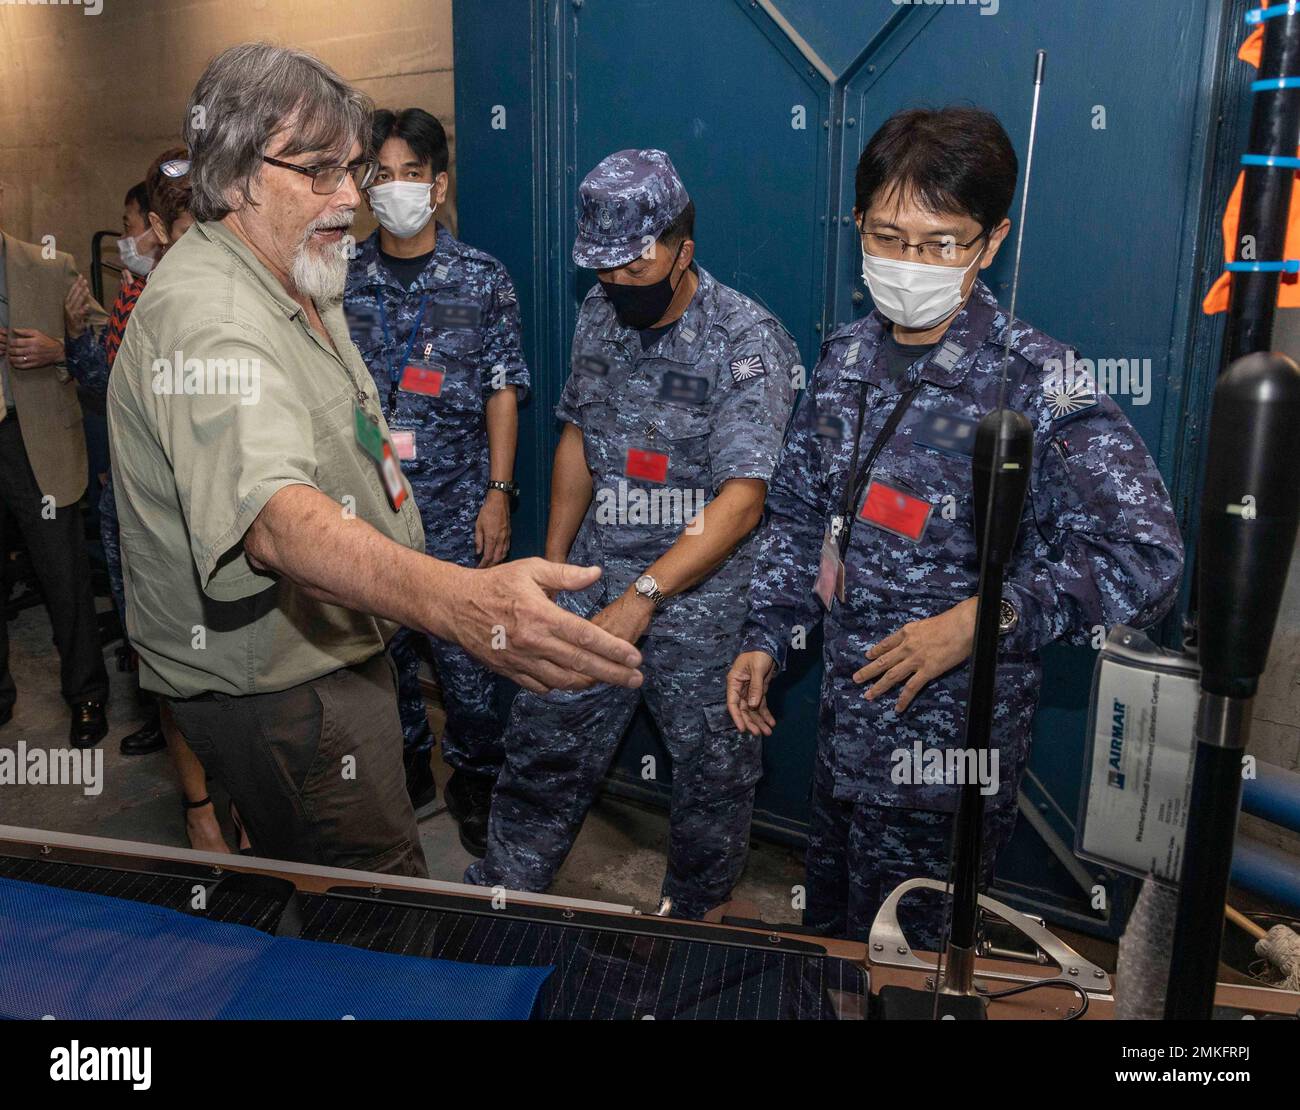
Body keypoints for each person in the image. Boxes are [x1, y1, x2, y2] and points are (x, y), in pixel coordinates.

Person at [107, 43, 642, 878]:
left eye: (353, 170)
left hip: (331, 647)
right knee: (373, 904)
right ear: (238, 174)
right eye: (321, 170)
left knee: (343, 881)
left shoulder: (297, 275)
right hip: (285, 690)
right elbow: (278, 525)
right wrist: (461, 602)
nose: (351, 197)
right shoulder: (213, 319)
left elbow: (359, 429)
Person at [726, 108, 1185, 948]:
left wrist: (982, 622)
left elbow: (1147, 558)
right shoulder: (845, 360)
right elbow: (798, 511)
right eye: (888, 235)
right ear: (858, 226)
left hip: (944, 767)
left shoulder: (1038, 380)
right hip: (842, 740)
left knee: (915, 970)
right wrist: (769, 631)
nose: (908, 262)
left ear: (991, 240)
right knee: (835, 950)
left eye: (940, 243)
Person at [465, 149, 798, 918]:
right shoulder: (598, 313)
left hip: (701, 604)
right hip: (592, 578)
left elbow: (744, 500)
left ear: (684, 249)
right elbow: (579, 437)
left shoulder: (747, 342)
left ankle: (694, 921)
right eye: (604, 272)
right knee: (544, 742)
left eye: (634, 272)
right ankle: (501, 899)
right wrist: (551, 564)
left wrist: (646, 596)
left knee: (713, 774)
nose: (617, 288)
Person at [344, 107, 528, 850]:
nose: (395, 188)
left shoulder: (481, 279)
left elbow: (503, 390)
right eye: (380, 175)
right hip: (368, 496)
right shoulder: (339, 277)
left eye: (410, 175)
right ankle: (409, 764)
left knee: (472, 654)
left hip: (456, 501)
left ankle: (478, 775)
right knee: (379, 647)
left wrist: (499, 495)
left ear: (439, 185)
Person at [66, 148, 243, 853]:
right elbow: (113, 393)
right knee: (172, 666)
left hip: (218, 518)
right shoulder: (142, 305)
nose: (156, 238)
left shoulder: (231, 297)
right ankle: (201, 808)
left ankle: (241, 799)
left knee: (231, 673)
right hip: (148, 514)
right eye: (164, 222)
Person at [0, 181, 111, 746]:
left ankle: (87, 694)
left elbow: (105, 340)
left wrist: (58, 350)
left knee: (63, 574)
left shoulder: (49, 264)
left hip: (33, 440)